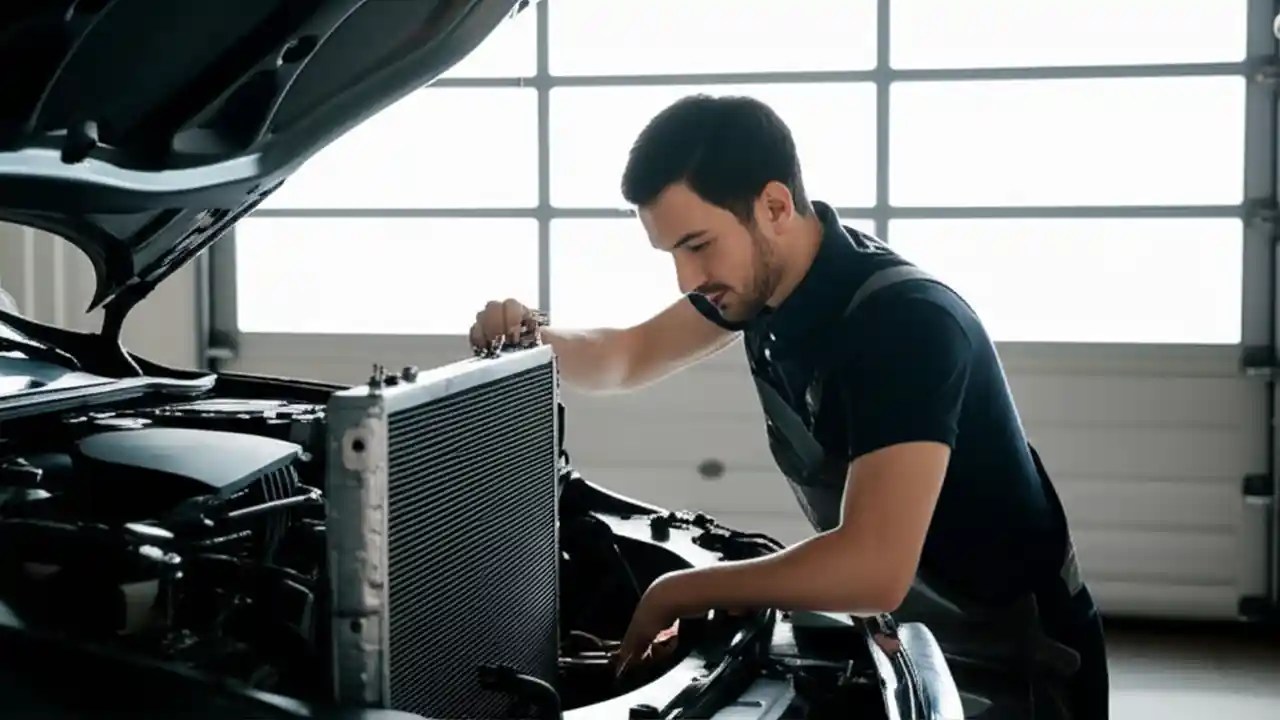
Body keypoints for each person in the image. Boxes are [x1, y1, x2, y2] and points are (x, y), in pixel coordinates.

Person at [469, 94, 1109, 718]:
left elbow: (873, 566)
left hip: (1022, 668)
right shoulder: (761, 292)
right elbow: (629, 354)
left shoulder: (907, 324)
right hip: (909, 640)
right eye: (672, 255)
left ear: (774, 205)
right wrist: (532, 341)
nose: (688, 281)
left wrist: (677, 589)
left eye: (697, 245)